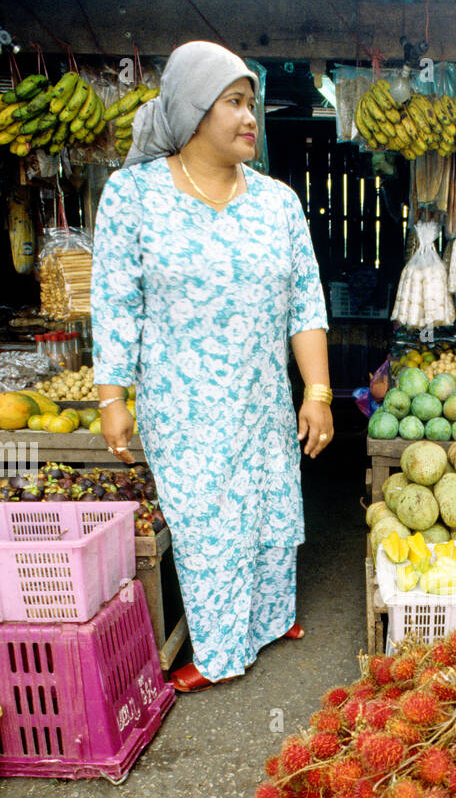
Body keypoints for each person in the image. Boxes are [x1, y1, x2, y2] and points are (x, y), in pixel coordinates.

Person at [91, 41, 332, 692]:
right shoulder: (134, 197)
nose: (249, 116)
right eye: (233, 102)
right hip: (185, 405)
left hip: (262, 399)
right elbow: (115, 302)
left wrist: (318, 392)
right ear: (193, 108)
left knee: (272, 513)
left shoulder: (277, 203)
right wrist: (113, 397)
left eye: (250, 103)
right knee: (208, 525)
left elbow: (304, 301)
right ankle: (223, 650)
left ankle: (272, 617)